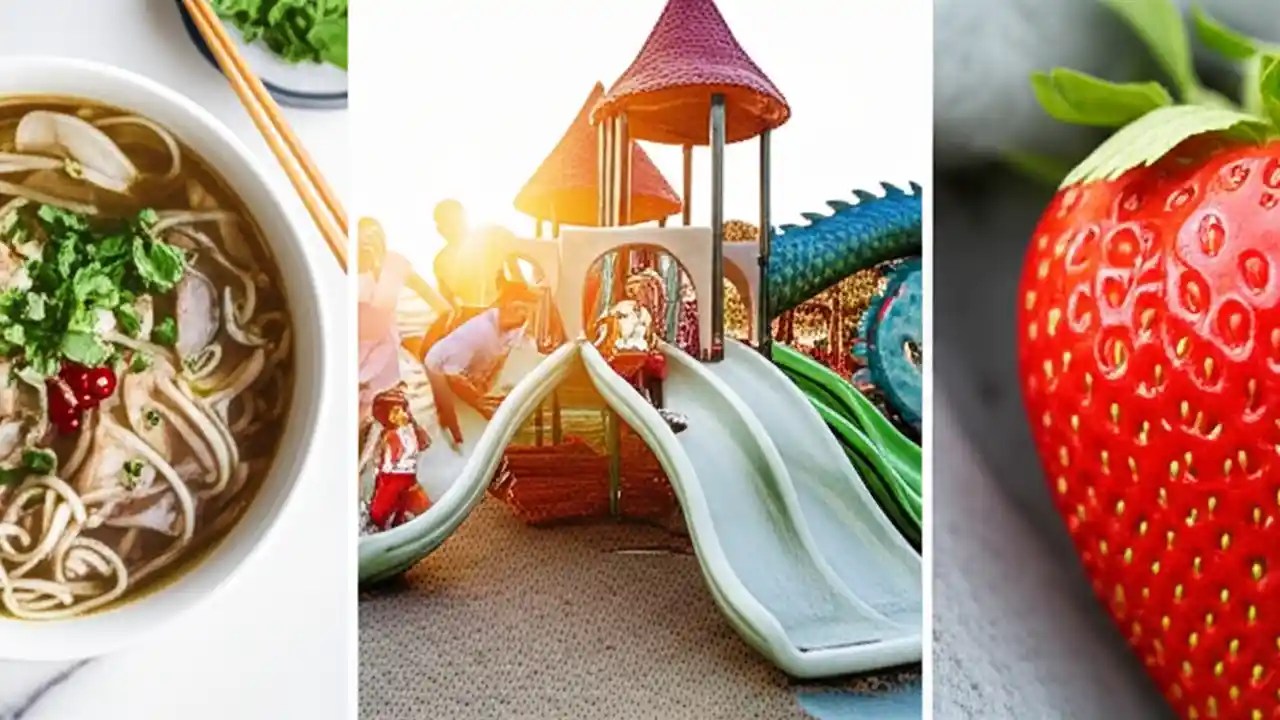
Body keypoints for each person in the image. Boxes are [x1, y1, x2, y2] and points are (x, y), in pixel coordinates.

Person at [423, 277, 538, 448]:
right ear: (506, 304)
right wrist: (481, 406)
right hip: (437, 383)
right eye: (520, 309)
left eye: (527, 312)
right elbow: (451, 377)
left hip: (465, 383)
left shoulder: (507, 331)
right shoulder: (479, 331)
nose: (524, 316)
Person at [368, 386, 432, 530]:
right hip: (394, 478)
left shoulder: (409, 430)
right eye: (396, 411)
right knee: (381, 513)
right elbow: (394, 457)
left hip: (407, 477)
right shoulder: (391, 435)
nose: (402, 414)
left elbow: (424, 443)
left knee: (409, 509)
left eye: (403, 410)